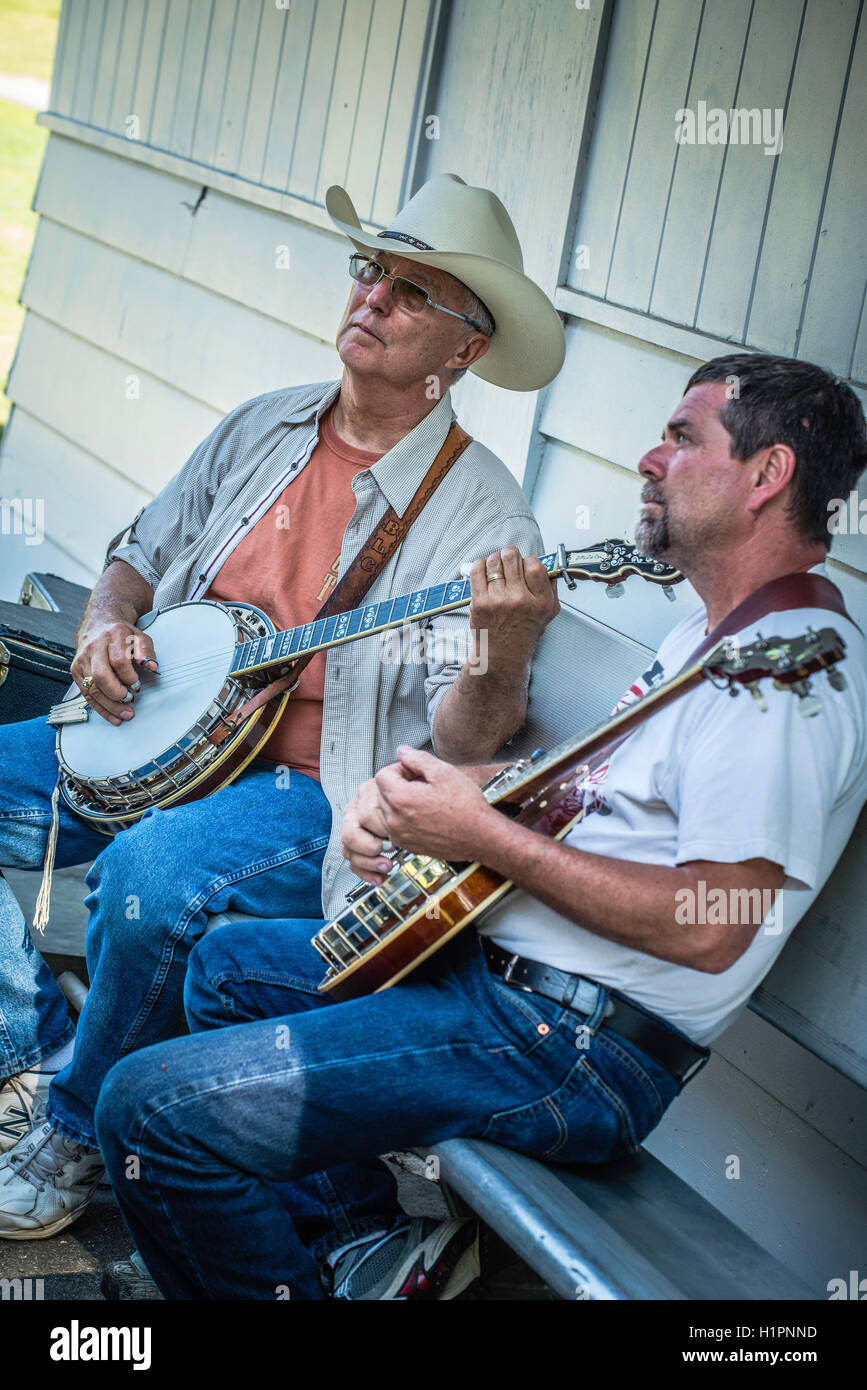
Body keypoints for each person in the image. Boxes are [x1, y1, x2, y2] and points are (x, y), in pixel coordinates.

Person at [90, 355, 867, 1301]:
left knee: (149, 1111)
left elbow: (714, 923)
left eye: (682, 436)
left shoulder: (781, 681)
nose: (647, 457)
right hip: (492, 982)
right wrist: (421, 792)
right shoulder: (705, 638)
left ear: (766, 474)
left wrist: (483, 837)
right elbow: (597, 790)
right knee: (230, 969)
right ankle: (361, 1249)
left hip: (567, 1046)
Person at [0, 173, 566, 1238]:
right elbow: (138, 554)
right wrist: (101, 629)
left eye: (411, 293)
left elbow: (461, 747)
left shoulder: (484, 519)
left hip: (312, 789)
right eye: (371, 272)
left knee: (152, 879)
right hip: (149, 728)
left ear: (465, 351)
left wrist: (504, 650)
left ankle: (74, 1130)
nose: (373, 298)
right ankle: (21, 1065)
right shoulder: (265, 426)